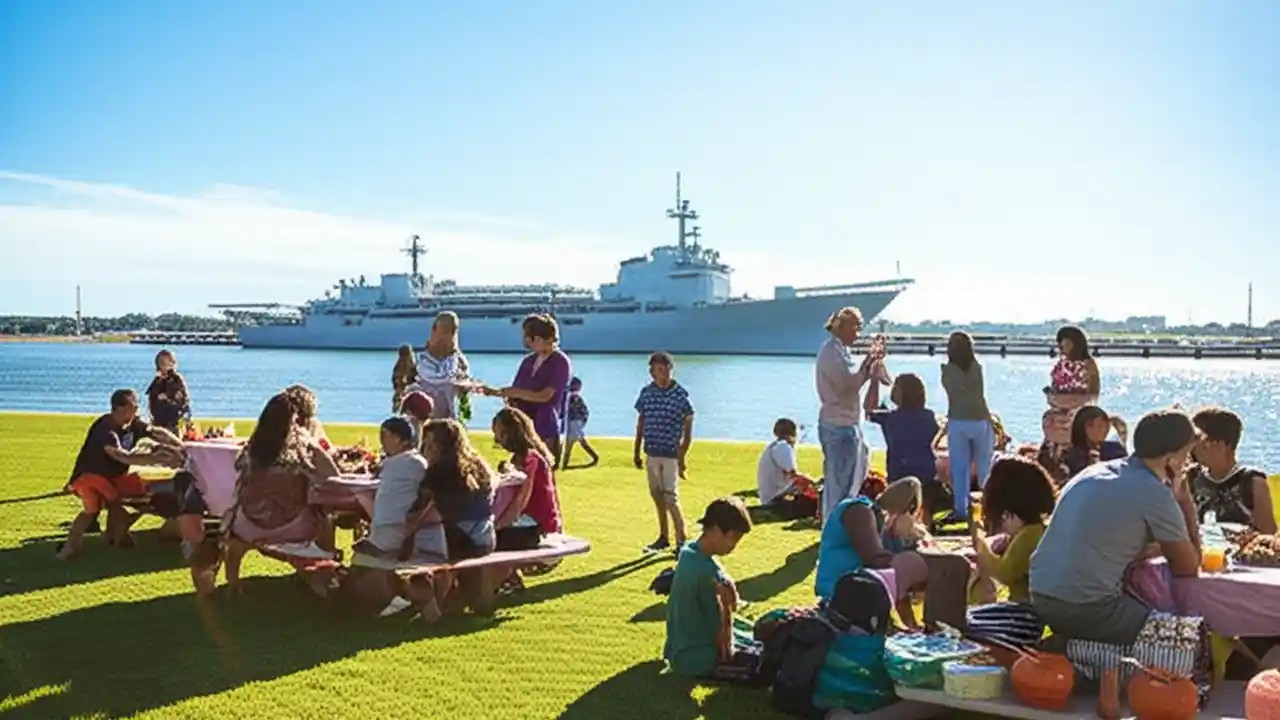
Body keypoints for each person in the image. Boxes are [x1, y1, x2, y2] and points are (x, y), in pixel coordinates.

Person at [1029, 409, 1202, 645]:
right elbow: (1188, 567)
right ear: (1171, 459)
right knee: (1187, 634)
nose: (1187, 464)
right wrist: (1184, 500)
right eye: (1186, 456)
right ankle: (1088, 663)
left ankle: (1075, 650)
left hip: (1041, 594)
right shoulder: (1154, 493)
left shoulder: (1094, 472)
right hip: (1087, 608)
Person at [223, 393, 342, 597]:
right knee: (325, 514)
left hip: (249, 525)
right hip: (293, 527)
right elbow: (334, 476)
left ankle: (232, 581)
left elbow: (238, 469)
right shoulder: (304, 447)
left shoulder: (251, 450)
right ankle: (327, 569)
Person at [58, 389, 185, 560]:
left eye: (136, 408)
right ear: (119, 408)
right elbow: (122, 456)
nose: (135, 412)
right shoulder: (105, 429)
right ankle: (85, 545)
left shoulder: (133, 424)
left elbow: (157, 433)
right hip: (90, 476)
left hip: (114, 477)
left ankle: (108, 537)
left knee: (138, 495)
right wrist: (155, 459)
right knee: (106, 504)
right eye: (132, 408)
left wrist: (180, 446)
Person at [663, 496, 760, 682]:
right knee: (757, 655)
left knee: (748, 632)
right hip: (694, 658)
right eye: (733, 538)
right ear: (715, 530)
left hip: (677, 647)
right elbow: (721, 632)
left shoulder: (689, 551)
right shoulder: (707, 573)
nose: (734, 546)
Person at [814, 483, 930, 629]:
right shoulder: (858, 510)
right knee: (912, 562)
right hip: (837, 596)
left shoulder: (884, 531)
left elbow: (896, 582)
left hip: (863, 596)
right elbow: (875, 560)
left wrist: (912, 626)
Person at [816, 307, 888, 523]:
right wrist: (868, 365)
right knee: (841, 487)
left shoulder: (838, 351)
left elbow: (852, 383)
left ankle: (837, 528)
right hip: (839, 427)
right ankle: (836, 529)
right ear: (843, 326)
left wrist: (869, 364)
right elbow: (848, 386)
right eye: (856, 325)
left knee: (846, 484)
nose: (859, 331)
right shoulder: (832, 353)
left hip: (844, 424)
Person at [481, 314, 572, 464]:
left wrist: (514, 392)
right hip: (524, 427)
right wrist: (495, 392)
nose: (526, 342)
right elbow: (516, 390)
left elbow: (545, 396)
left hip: (545, 425)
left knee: (542, 471)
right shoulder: (529, 361)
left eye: (529, 338)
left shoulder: (560, 362)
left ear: (540, 338)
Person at [971, 456, 1057, 603]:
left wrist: (980, 546)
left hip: (1027, 609)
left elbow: (1005, 573)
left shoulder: (1029, 535)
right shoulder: (1036, 531)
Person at [633, 351, 695, 554]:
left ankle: (681, 540)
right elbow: (641, 422)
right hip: (652, 451)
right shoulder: (646, 393)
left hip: (670, 453)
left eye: (666, 369)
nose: (663, 373)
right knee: (657, 496)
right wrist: (636, 450)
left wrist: (682, 453)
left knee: (671, 498)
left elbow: (688, 424)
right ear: (652, 372)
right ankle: (663, 537)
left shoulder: (680, 395)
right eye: (659, 370)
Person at [1189, 407, 1276, 533]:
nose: (1193, 448)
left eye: (1200, 441)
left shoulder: (1251, 481)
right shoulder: (1192, 477)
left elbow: (1268, 533)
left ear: (1224, 443)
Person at [940, 331, 993, 523]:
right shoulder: (977, 368)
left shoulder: (947, 370)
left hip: (958, 419)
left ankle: (960, 509)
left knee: (959, 468)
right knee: (984, 467)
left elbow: (952, 391)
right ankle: (989, 507)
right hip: (980, 418)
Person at [492, 407, 563, 536]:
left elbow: (520, 500)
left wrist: (496, 528)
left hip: (540, 525)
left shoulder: (532, 459)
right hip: (529, 520)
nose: (499, 442)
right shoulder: (517, 459)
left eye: (501, 435)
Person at [415, 311, 472, 420]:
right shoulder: (418, 361)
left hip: (450, 420)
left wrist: (464, 385)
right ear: (434, 330)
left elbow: (465, 388)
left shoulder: (459, 362)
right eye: (443, 331)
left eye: (451, 331)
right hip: (423, 419)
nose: (446, 336)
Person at [755, 418, 816, 506]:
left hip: (769, 494)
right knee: (813, 489)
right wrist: (813, 482)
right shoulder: (782, 447)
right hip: (774, 496)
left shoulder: (773, 447)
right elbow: (793, 474)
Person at [1061, 405, 1128, 479]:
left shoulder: (1115, 449)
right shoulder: (1071, 455)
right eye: (1099, 426)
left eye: (1105, 425)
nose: (1103, 430)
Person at [145, 349, 190, 435]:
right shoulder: (157, 380)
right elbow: (151, 398)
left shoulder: (177, 379)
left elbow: (183, 398)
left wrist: (167, 396)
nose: (165, 365)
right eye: (162, 362)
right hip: (157, 419)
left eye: (168, 362)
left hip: (172, 419)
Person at [1048, 325, 1101, 397]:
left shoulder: (1089, 365)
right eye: (1060, 344)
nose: (1061, 347)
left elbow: (1092, 395)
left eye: (1066, 344)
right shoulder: (1062, 364)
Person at [562, 376, 599, 469]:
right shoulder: (574, 398)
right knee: (579, 442)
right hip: (574, 423)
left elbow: (566, 411)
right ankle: (595, 457)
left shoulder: (572, 398)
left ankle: (565, 464)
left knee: (570, 443)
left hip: (574, 422)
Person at [391, 344, 418, 415]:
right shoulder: (412, 369)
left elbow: (395, 384)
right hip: (408, 397)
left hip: (401, 396)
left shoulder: (397, 368)